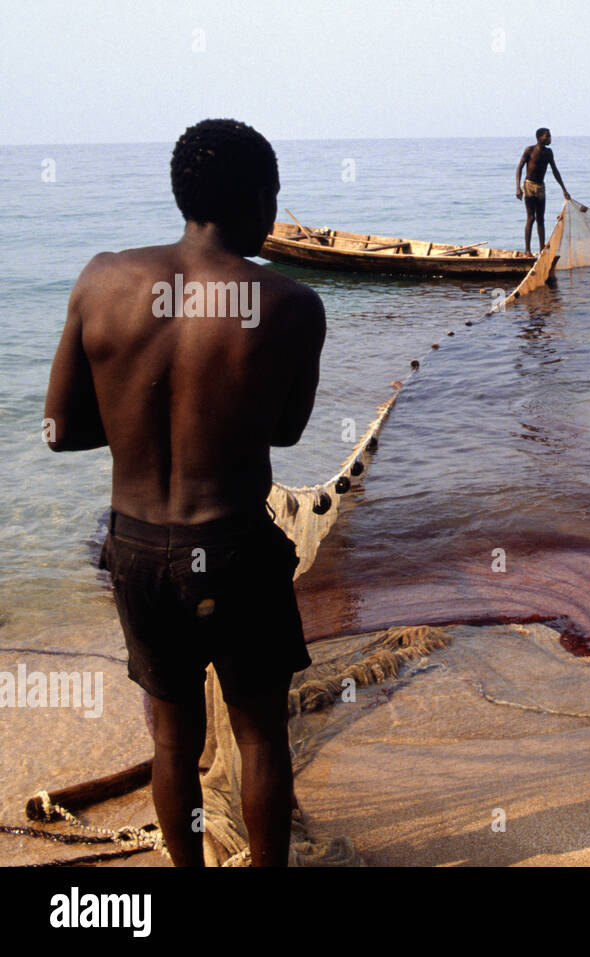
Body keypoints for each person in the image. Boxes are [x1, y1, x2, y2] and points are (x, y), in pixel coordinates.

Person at [43, 118, 326, 865]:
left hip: (135, 548)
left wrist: (145, 425)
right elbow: (290, 432)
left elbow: (62, 428)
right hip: (235, 545)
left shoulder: (101, 278)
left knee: (172, 739)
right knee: (260, 731)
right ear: (260, 198)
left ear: (184, 194)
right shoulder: (291, 303)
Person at [514, 128, 571, 255]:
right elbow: (519, 168)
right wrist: (518, 188)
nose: (550, 138)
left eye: (550, 136)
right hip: (529, 185)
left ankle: (541, 249)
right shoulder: (530, 150)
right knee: (531, 217)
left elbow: (555, 171)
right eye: (547, 136)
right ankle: (527, 250)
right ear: (540, 138)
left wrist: (564, 189)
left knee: (541, 219)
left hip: (540, 187)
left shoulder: (549, 153)